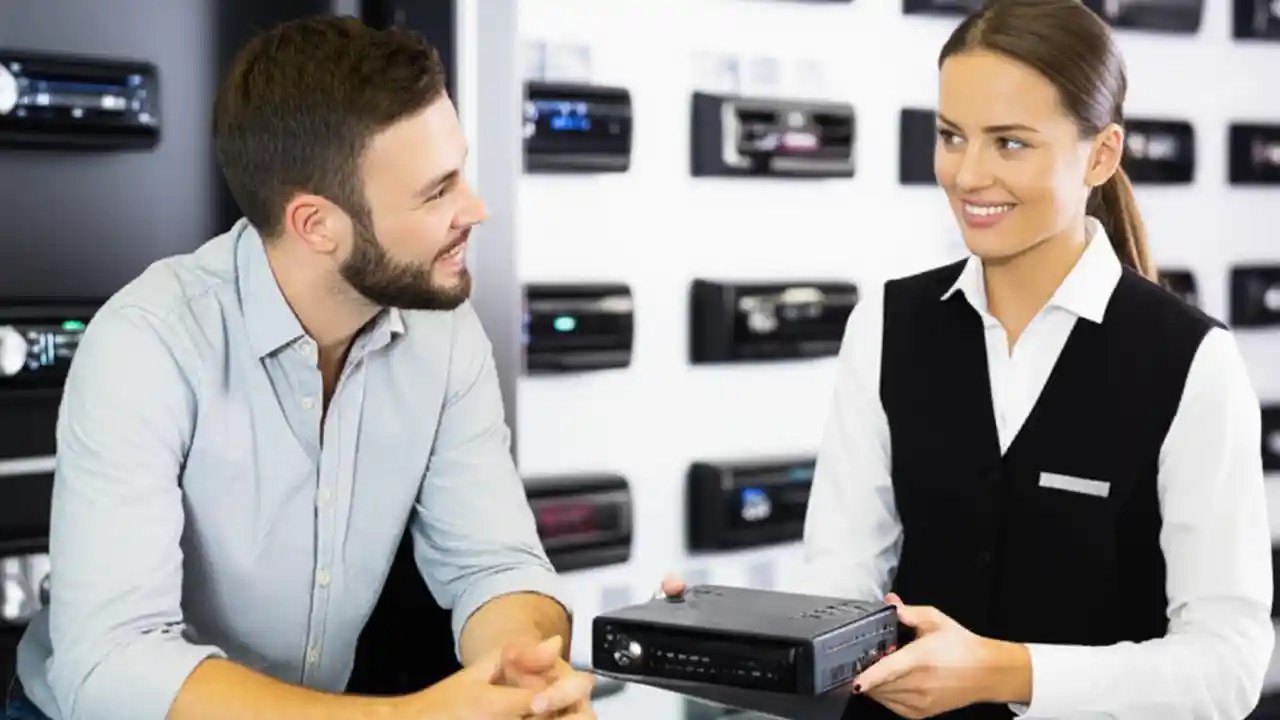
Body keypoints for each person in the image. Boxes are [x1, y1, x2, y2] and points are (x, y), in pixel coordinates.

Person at [667, 1, 1273, 718]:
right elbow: (839, 590)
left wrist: (1005, 672)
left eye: (1010, 143)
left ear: (1102, 155)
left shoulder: (1192, 362)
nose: (968, 174)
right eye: (952, 136)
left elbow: (1227, 668)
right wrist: (735, 640)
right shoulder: (886, 325)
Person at [5, 16, 595, 720]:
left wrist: (522, 674)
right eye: (437, 192)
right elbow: (111, 668)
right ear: (317, 225)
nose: (476, 208)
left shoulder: (445, 334)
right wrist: (404, 719)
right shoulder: (148, 344)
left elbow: (495, 564)